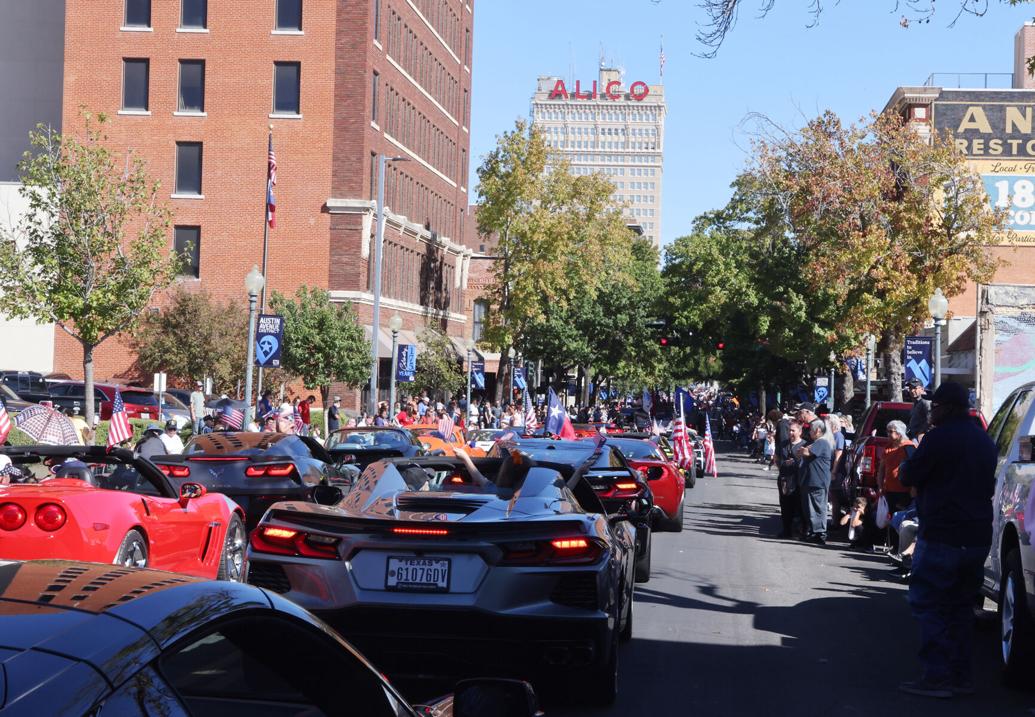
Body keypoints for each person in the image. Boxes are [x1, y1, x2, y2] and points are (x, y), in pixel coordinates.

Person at [897, 381, 997, 698]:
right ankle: (960, 676)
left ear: (947, 408)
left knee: (929, 604)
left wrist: (905, 466)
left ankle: (937, 677)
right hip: (977, 535)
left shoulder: (940, 438)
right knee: (960, 608)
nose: (931, 412)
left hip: (943, 533)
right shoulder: (983, 440)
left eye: (935, 407)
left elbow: (909, 475)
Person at [796, 418, 832, 544]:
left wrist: (803, 450)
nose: (809, 432)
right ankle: (813, 531)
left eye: (810, 429)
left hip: (817, 481)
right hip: (810, 481)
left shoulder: (821, 442)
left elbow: (805, 452)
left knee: (817, 507)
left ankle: (820, 533)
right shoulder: (816, 442)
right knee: (810, 508)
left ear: (817, 430)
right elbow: (800, 452)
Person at [879, 420, 916, 518]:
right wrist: (880, 486)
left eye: (890, 431)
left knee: (899, 518)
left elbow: (915, 468)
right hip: (889, 490)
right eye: (887, 431)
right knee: (888, 517)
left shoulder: (909, 447)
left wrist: (913, 488)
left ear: (899, 433)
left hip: (904, 491)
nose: (888, 434)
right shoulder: (888, 447)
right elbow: (881, 469)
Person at [776, 419, 805, 538]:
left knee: (798, 506)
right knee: (785, 506)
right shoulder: (783, 444)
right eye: (789, 430)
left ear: (800, 432)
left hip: (799, 480)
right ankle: (786, 530)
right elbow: (777, 458)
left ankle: (798, 531)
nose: (790, 433)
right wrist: (783, 467)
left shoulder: (805, 445)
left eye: (793, 430)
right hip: (785, 480)